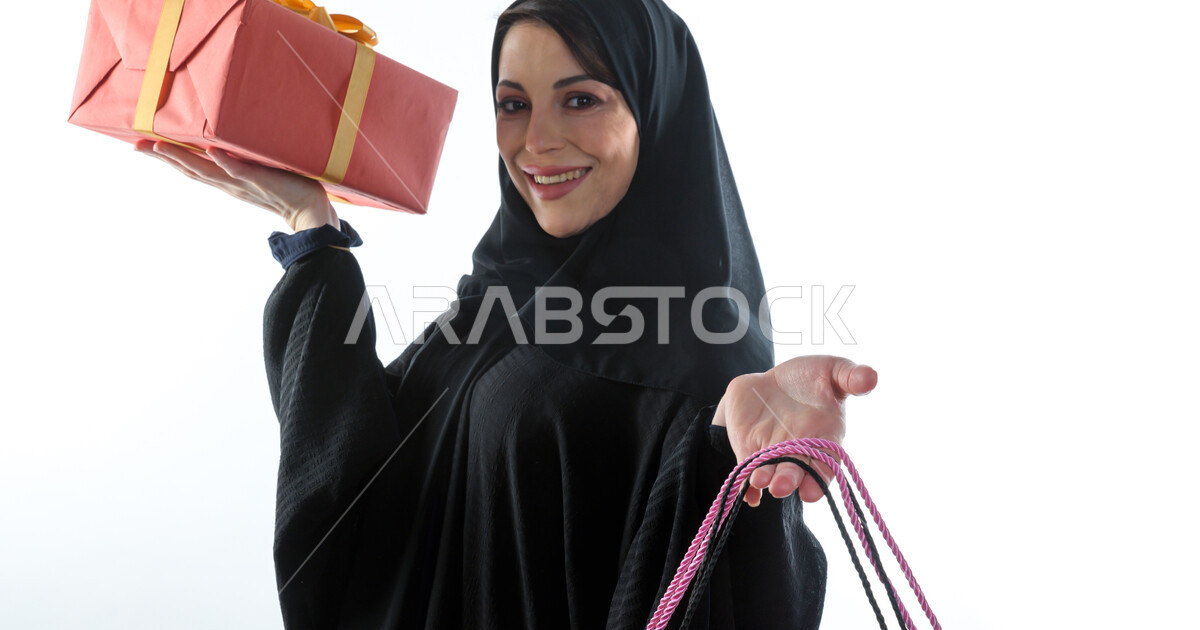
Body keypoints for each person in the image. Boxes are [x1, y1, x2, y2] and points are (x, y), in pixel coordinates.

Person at [135, 0, 877, 627]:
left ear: (657, 110)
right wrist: (311, 232)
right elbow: (363, 490)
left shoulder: (704, 364)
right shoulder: (498, 294)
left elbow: (720, 599)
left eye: (581, 99)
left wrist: (736, 470)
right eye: (514, 104)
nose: (536, 142)